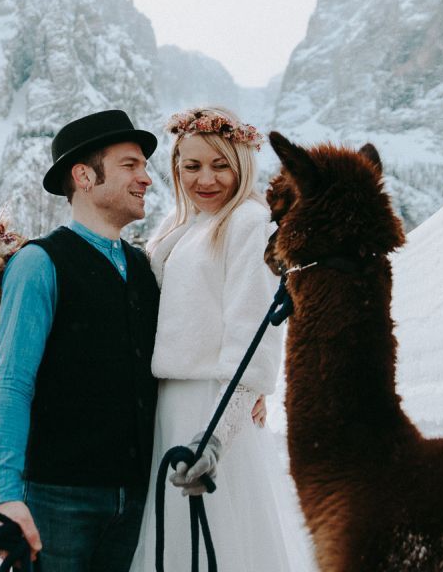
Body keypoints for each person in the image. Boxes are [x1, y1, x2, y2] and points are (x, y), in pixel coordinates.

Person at [130, 106, 315, 571]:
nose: (205, 179)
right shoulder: (181, 227)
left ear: (242, 165)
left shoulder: (249, 224)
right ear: (176, 169)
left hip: (209, 408)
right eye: (191, 166)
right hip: (169, 405)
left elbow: (252, 333)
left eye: (220, 165)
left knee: (212, 543)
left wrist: (216, 434)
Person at [0, 109, 161, 571]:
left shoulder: (144, 269)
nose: (146, 179)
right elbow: (12, 383)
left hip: (137, 501)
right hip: (57, 501)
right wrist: (5, 496)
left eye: (145, 166)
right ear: (83, 175)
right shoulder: (39, 264)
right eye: (131, 165)